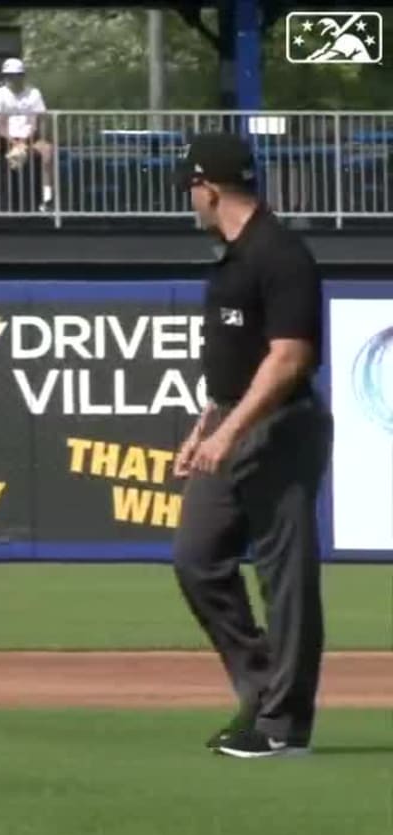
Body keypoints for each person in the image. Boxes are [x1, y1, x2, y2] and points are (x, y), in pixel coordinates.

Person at [170, 133, 333, 759]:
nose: (189, 200)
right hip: (231, 420)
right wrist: (205, 426)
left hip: (281, 428)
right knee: (196, 558)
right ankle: (264, 690)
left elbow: (289, 358)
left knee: (284, 576)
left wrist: (232, 431)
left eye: (191, 189)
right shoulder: (232, 258)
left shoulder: (280, 253)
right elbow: (235, 364)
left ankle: (284, 726)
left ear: (209, 188)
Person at [0, 57, 55, 212]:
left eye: (15, 75)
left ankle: (47, 198)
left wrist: (24, 142)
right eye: (8, 75)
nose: (11, 78)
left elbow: (35, 122)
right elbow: (0, 123)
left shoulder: (34, 93)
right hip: (6, 139)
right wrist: (13, 143)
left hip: (31, 139)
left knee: (48, 150)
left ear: (22, 76)